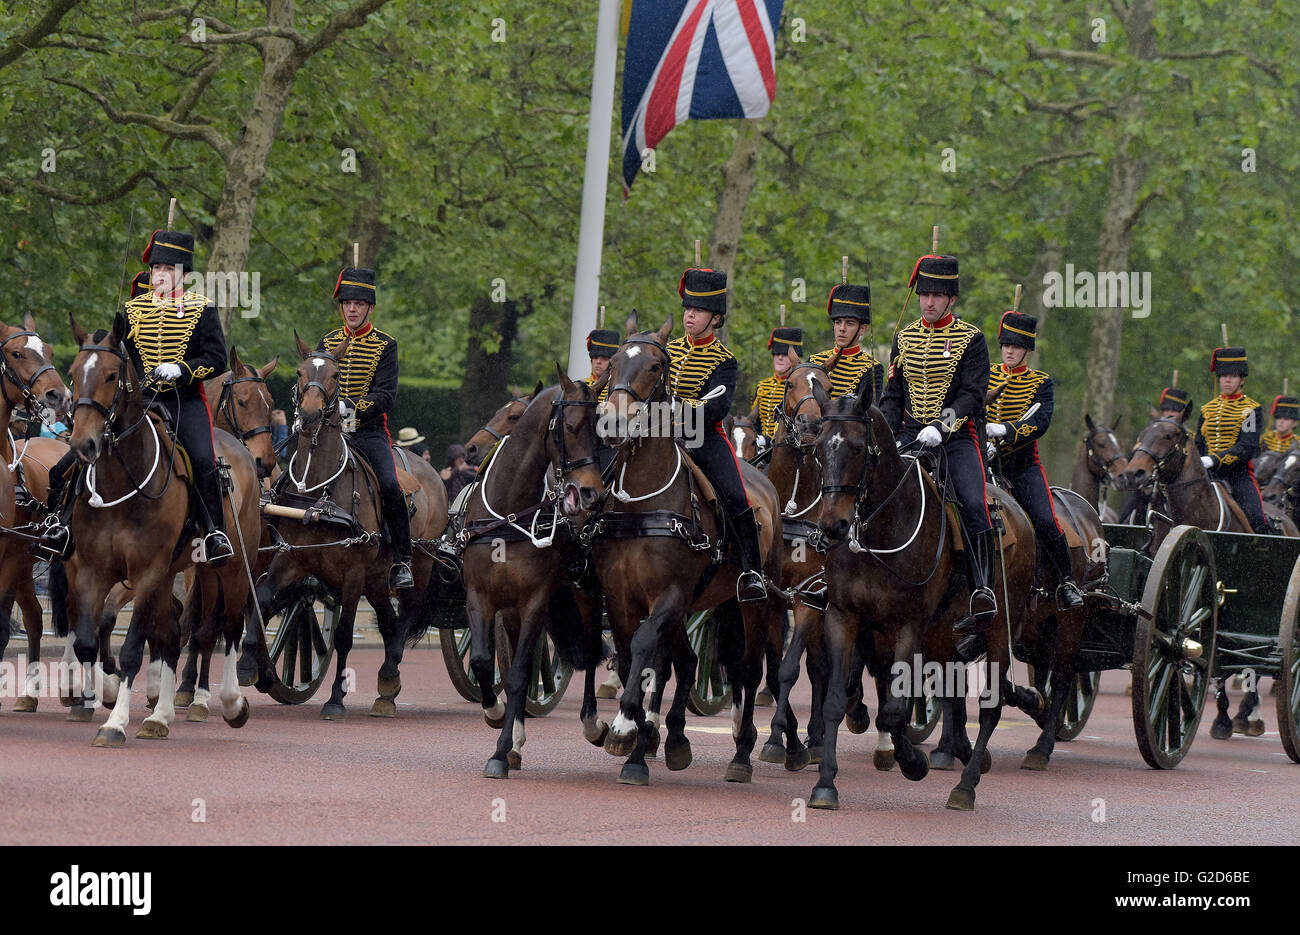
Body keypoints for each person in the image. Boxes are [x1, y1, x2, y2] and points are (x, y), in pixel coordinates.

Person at [41, 229, 233, 564]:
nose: (160, 274)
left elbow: (218, 359)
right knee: (76, 456)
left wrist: (182, 369)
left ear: (185, 275)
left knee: (203, 460)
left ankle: (214, 531)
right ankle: (60, 522)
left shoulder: (202, 309)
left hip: (184, 400)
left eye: (168, 269)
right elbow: (117, 357)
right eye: (156, 268)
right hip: (138, 401)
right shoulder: (132, 311)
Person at [879, 253, 994, 638]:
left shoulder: (972, 339)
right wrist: (889, 435)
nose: (929, 301)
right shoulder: (904, 337)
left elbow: (973, 395)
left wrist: (942, 427)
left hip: (957, 440)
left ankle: (982, 589)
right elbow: (893, 395)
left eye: (937, 295)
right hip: (910, 436)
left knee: (975, 505)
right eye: (924, 294)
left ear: (952, 300)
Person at [669, 267, 765, 602]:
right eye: (687, 309)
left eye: (697, 310)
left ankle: (753, 572)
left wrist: (676, 409)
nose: (690, 315)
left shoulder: (724, 360)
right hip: (662, 437)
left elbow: (716, 407)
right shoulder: (667, 352)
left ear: (715, 318)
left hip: (703, 439)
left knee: (738, 498)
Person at [317, 266, 413, 588]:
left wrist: (351, 406)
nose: (352, 309)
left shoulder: (385, 344)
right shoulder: (327, 341)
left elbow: (386, 396)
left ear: (370, 307)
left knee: (388, 484)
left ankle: (402, 559)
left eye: (359, 303)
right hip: (328, 432)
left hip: (367, 432)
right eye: (347, 303)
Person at [986, 311, 1082, 608]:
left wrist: (1006, 431)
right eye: (1006, 345)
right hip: (982, 461)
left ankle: (1066, 582)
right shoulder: (986, 373)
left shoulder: (1041, 383)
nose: (1010, 351)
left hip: (1021, 466)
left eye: (1016, 346)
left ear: (1028, 349)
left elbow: (1039, 422)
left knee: (1045, 519)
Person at [1195, 346, 1271, 534]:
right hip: (1206, 476)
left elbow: (1246, 448)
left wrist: (1214, 459)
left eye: (1233, 375)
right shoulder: (1207, 410)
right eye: (1223, 375)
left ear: (1242, 379)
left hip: (1238, 476)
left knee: (1256, 518)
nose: (1227, 380)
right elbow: (1198, 443)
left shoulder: (1250, 410)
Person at [1118, 387, 1192, 523]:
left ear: (1181, 413)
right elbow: (1135, 458)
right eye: (1166, 409)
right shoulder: (1148, 433)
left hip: (1176, 487)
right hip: (1149, 486)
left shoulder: (1187, 436)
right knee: (1126, 514)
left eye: (1174, 410)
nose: (1169, 413)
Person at [810, 283, 884, 403]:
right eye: (838, 322)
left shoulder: (872, 368)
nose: (842, 328)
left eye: (849, 323)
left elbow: (868, 413)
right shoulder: (813, 361)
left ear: (862, 329)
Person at [750, 327, 802, 441]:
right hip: (763, 448)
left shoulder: (799, 388)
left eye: (784, 354)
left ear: (795, 358)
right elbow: (755, 422)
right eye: (776, 353)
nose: (779, 357)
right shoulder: (762, 387)